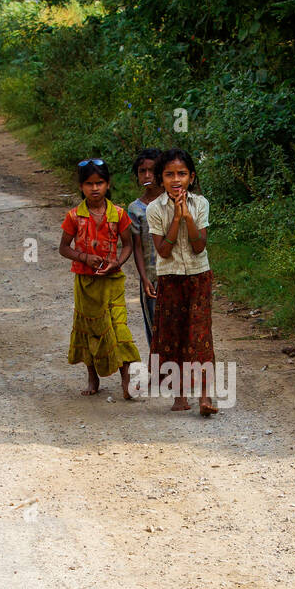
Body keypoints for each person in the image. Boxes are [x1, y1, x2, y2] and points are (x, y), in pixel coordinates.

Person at [58, 158, 141, 399]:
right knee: (90, 328)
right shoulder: (74, 216)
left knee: (118, 327)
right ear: (81, 186)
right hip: (86, 283)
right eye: (89, 183)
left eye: (100, 183)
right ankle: (92, 375)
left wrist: (118, 261)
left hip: (113, 281)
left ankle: (126, 378)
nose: (95, 188)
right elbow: (64, 248)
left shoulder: (118, 214)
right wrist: (83, 257)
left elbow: (128, 245)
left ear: (107, 184)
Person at [147, 149, 217, 416]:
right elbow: (163, 251)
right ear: (160, 179)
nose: (176, 180)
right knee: (173, 334)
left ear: (191, 177)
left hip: (199, 275)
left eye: (182, 174)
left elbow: (200, 246)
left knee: (200, 334)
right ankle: (178, 395)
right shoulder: (155, 209)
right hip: (170, 277)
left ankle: (204, 396)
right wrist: (176, 219)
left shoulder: (201, 204)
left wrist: (187, 216)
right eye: (169, 174)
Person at [126, 148, 163, 351]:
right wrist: (144, 278)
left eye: (152, 170)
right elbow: (137, 247)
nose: (147, 175)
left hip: (176, 274)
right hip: (151, 276)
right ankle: (160, 374)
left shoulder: (173, 202)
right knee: (154, 325)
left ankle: (181, 374)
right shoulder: (135, 208)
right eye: (142, 171)